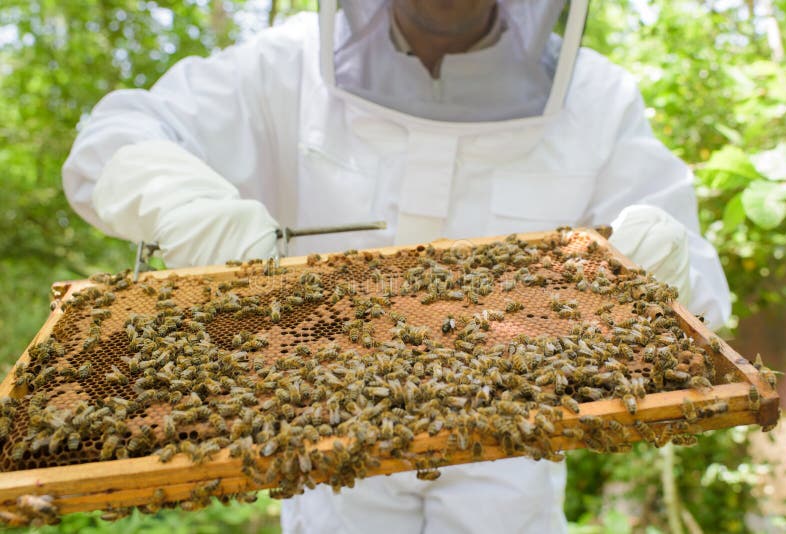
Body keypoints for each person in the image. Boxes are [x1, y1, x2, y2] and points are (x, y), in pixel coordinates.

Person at [62, 0, 732, 532]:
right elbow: (113, 135)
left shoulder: (599, 98)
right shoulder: (284, 67)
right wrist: (179, 200)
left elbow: (703, 296)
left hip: (514, 487)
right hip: (325, 473)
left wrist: (666, 271)